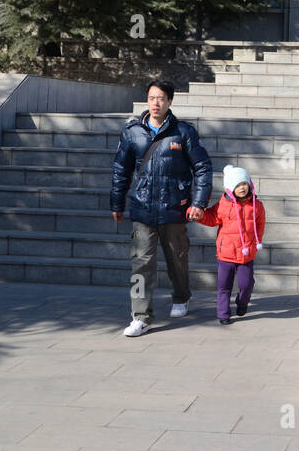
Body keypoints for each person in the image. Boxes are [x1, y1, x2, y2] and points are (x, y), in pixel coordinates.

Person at [110, 79, 213, 337]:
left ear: (170, 102)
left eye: (161, 98)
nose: (156, 102)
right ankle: (141, 316)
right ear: (147, 100)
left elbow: (202, 167)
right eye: (152, 97)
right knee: (141, 263)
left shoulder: (183, 132)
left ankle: (181, 296)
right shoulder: (132, 132)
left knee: (177, 258)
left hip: (174, 207)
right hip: (143, 208)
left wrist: (198, 203)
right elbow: (120, 169)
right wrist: (117, 201)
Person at [198, 165, 266, 324]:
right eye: (237, 185)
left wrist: (257, 241)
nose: (241, 188)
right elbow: (211, 219)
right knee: (224, 286)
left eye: (244, 183)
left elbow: (260, 225)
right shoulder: (223, 205)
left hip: (246, 253)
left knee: (246, 284)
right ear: (230, 188)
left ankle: (242, 303)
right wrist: (198, 215)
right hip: (226, 254)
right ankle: (223, 314)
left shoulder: (257, 206)